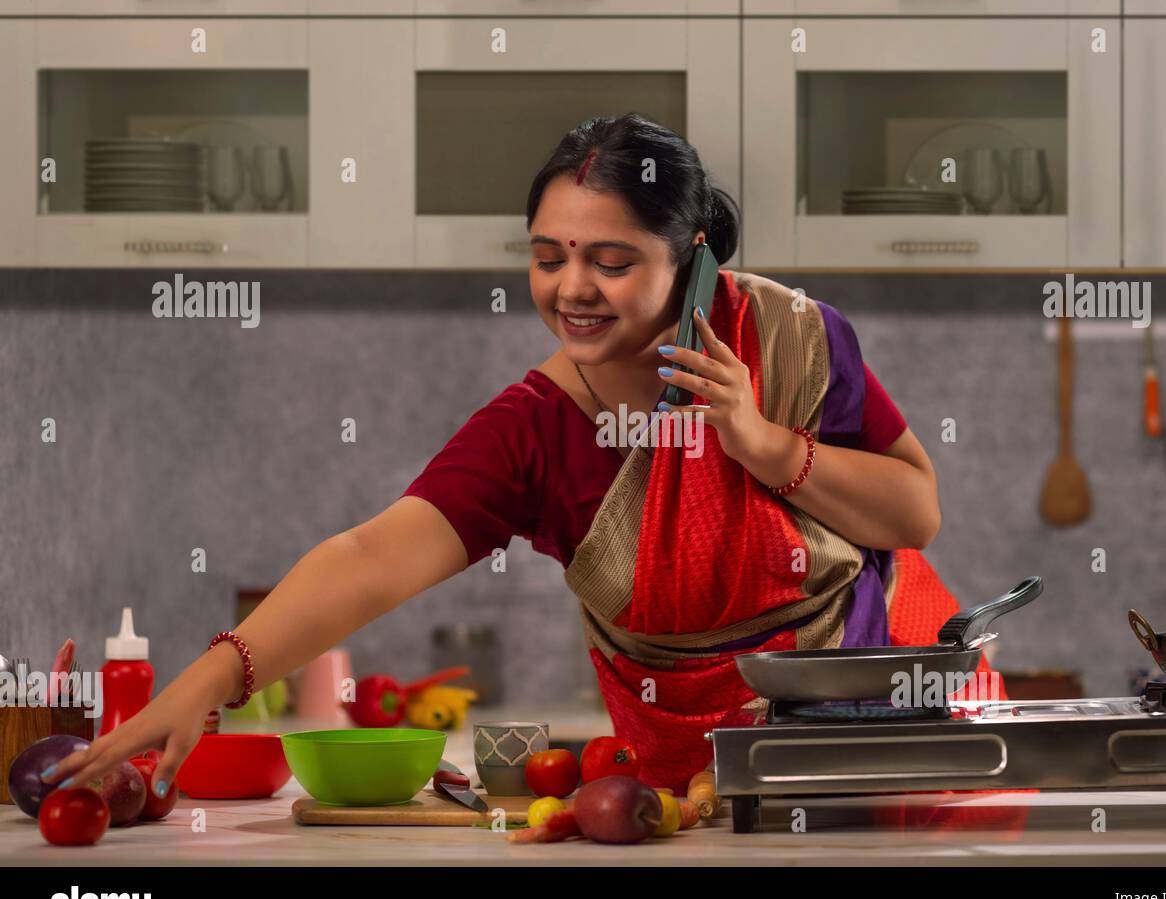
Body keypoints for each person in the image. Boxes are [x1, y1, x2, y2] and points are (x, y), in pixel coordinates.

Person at [42, 113, 953, 799]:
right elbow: (370, 557)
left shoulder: (789, 340)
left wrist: (760, 443)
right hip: (667, 782)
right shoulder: (534, 428)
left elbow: (916, 513)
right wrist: (205, 682)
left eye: (611, 259)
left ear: (692, 259)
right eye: (549, 256)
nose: (572, 289)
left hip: (858, 736)